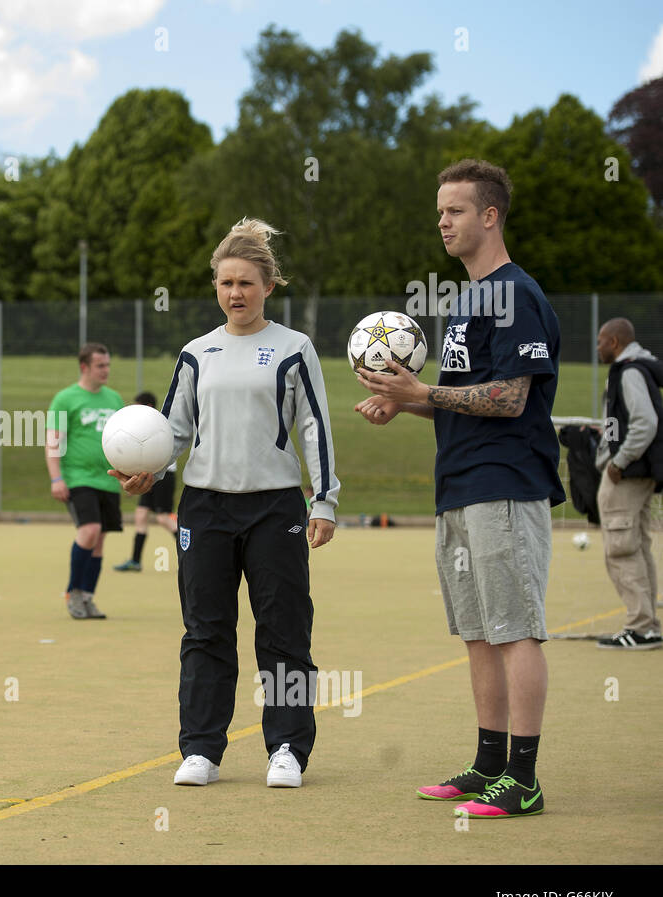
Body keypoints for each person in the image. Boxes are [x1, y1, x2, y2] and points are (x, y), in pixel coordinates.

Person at [356, 158, 562, 819]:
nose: (442, 221)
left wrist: (426, 391)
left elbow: (509, 396)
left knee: (514, 629)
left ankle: (524, 780)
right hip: (458, 489)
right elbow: (459, 399)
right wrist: (407, 401)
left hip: (504, 483)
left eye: (456, 210)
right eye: (439, 211)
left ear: (490, 216)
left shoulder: (516, 294)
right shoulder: (468, 299)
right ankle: (489, 764)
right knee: (477, 630)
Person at [114, 218, 338, 789]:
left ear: (268, 284)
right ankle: (201, 750)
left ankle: (287, 747)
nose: (235, 293)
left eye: (246, 282)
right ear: (216, 287)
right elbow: (171, 432)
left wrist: (325, 500)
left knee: (284, 630)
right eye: (225, 283)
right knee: (205, 630)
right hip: (206, 509)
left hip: (276, 509)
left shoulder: (295, 348)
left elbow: (315, 426)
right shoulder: (197, 353)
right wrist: (149, 473)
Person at [592, 317, 663, 650]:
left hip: (628, 474)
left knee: (620, 548)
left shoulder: (630, 371)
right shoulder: (639, 368)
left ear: (615, 343)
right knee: (637, 544)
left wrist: (618, 461)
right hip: (642, 472)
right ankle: (648, 624)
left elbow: (645, 422)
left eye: (600, 341)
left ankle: (640, 626)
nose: (597, 348)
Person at [47, 343, 125, 619]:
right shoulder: (65, 399)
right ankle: (73, 593)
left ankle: (88, 597)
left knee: (100, 540)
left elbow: (124, 442)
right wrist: (56, 477)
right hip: (78, 478)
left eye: (108, 365)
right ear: (84, 367)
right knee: (90, 530)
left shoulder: (115, 400)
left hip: (107, 481)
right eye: (100, 365)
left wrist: (127, 474)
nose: (106, 370)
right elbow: (53, 443)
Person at [113, 392, 178, 571]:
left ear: (148, 406)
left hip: (164, 477)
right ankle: (135, 561)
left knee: (163, 518)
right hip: (146, 476)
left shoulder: (160, 423)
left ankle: (190, 554)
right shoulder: (139, 424)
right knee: (141, 515)